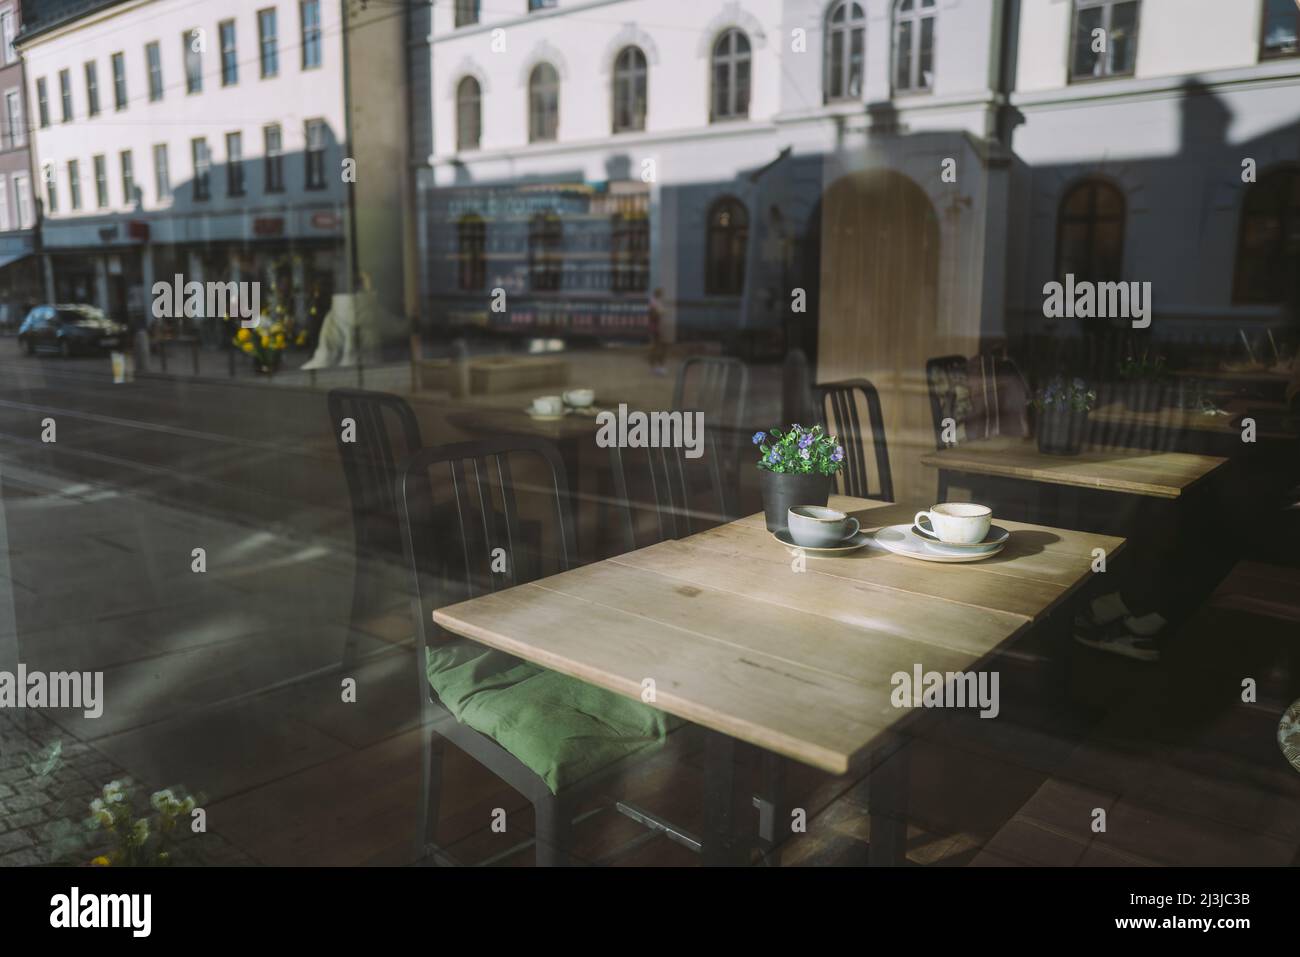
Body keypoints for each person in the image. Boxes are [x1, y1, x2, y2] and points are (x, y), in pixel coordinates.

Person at [647, 287, 667, 376]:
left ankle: (654, 367)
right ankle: (658, 367)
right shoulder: (655, 303)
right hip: (656, 328)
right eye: (661, 293)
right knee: (658, 347)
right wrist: (660, 313)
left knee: (656, 347)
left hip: (655, 328)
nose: (662, 295)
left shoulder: (655, 302)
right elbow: (655, 315)